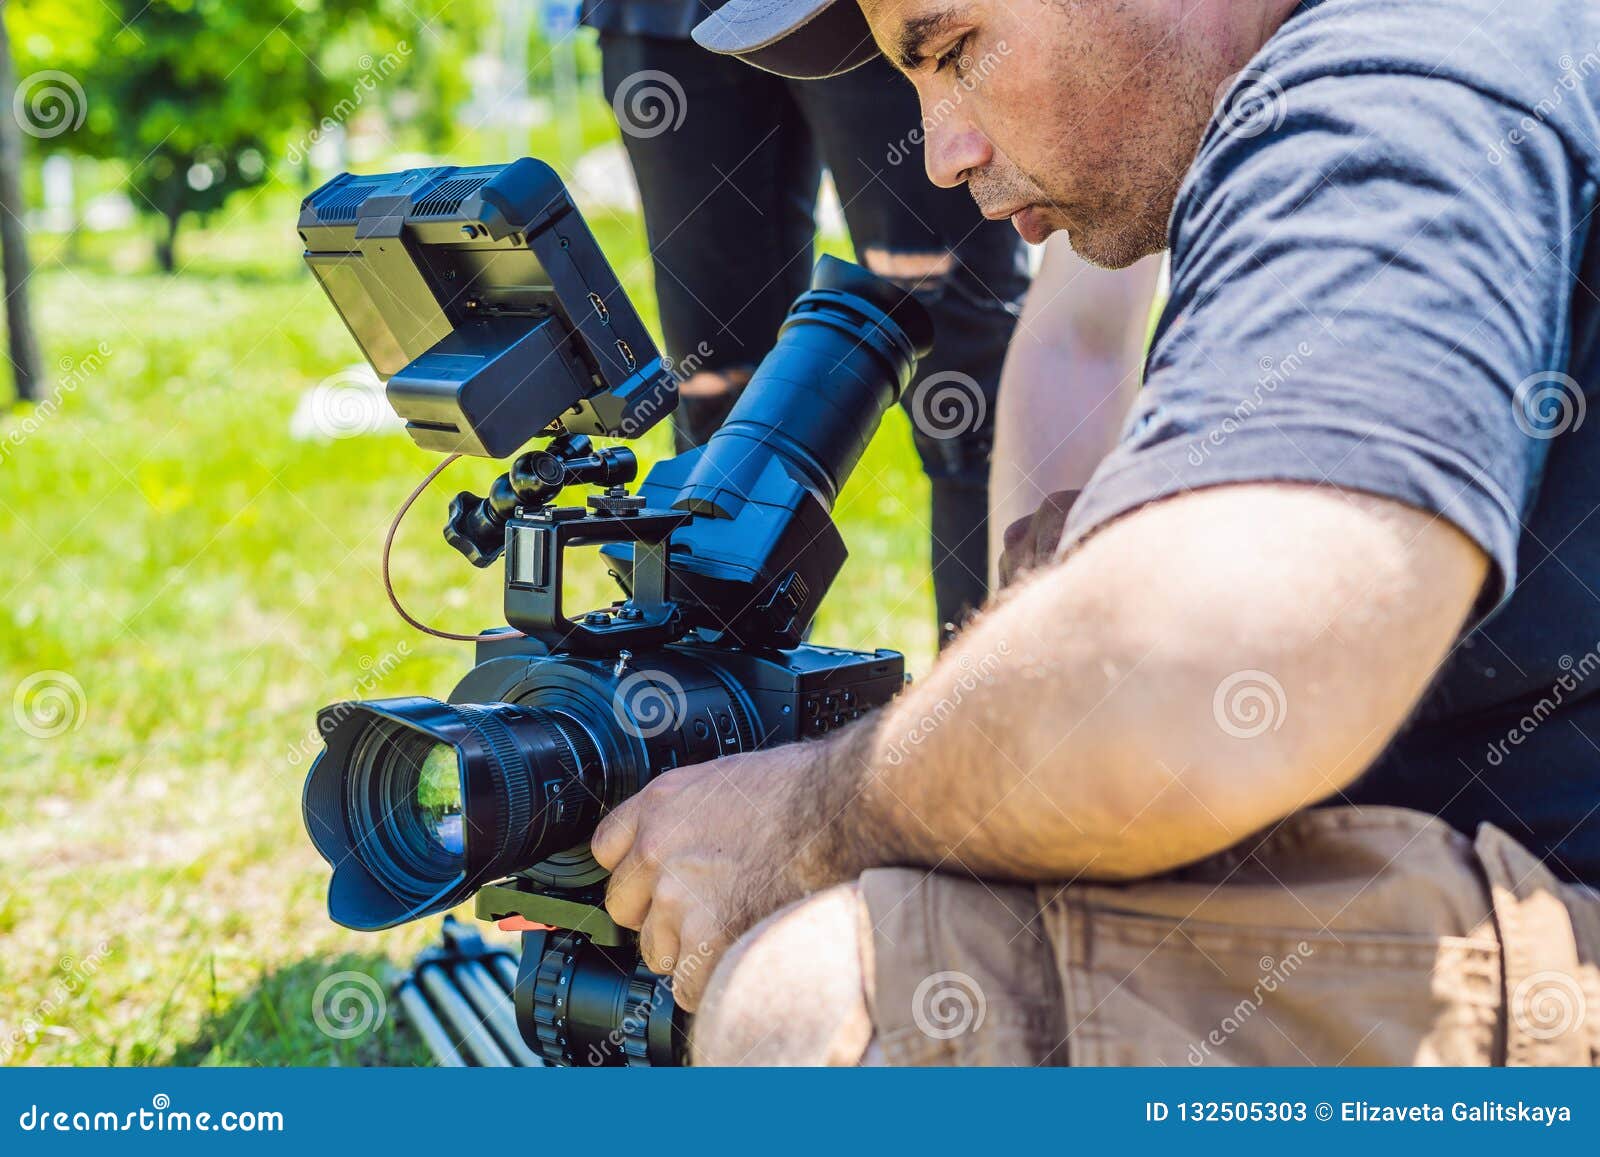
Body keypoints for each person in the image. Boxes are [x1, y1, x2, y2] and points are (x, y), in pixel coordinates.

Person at [593, 0, 1600, 1065]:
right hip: (1481, 860)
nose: (942, 154)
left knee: (843, 996)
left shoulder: (1398, 93)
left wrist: (802, 820)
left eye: (952, 52)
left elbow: (1206, 680)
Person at [582, 0, 1032, 645]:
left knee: (964, 398)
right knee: (719, 406)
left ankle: (988, 709)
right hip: (665, 22)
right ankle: (727, 711)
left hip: (877, 17)